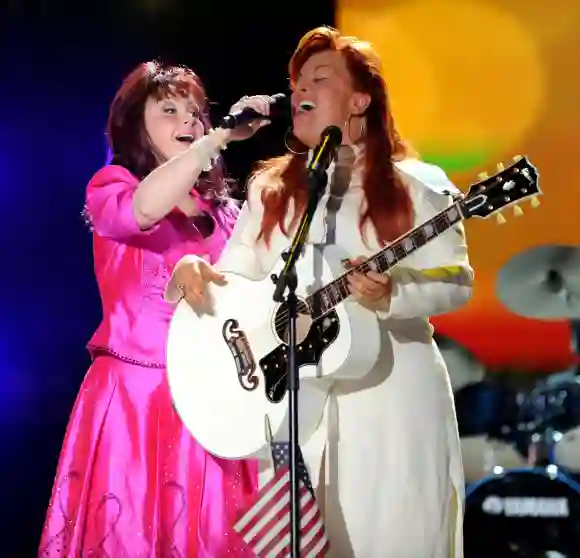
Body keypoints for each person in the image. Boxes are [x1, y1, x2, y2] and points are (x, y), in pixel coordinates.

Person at [168, 26, 473, 557]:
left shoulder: (418, 183)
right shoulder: (271, 189)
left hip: (391, 395)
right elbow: (236, 278)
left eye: (319, 77)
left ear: (361, 99)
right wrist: (196, 266)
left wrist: (391, 296)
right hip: (293, 409)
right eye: (295, 80)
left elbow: (455, 280)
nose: (299, 88)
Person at [39, 60, 274, 557]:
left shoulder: (227, 214)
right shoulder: (112, 186)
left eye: (195, 112)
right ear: (135, 124)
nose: (188, 122)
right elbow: (142, 211)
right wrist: (216, 141)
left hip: (212, 407)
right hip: (134, 402)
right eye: (169, 110)